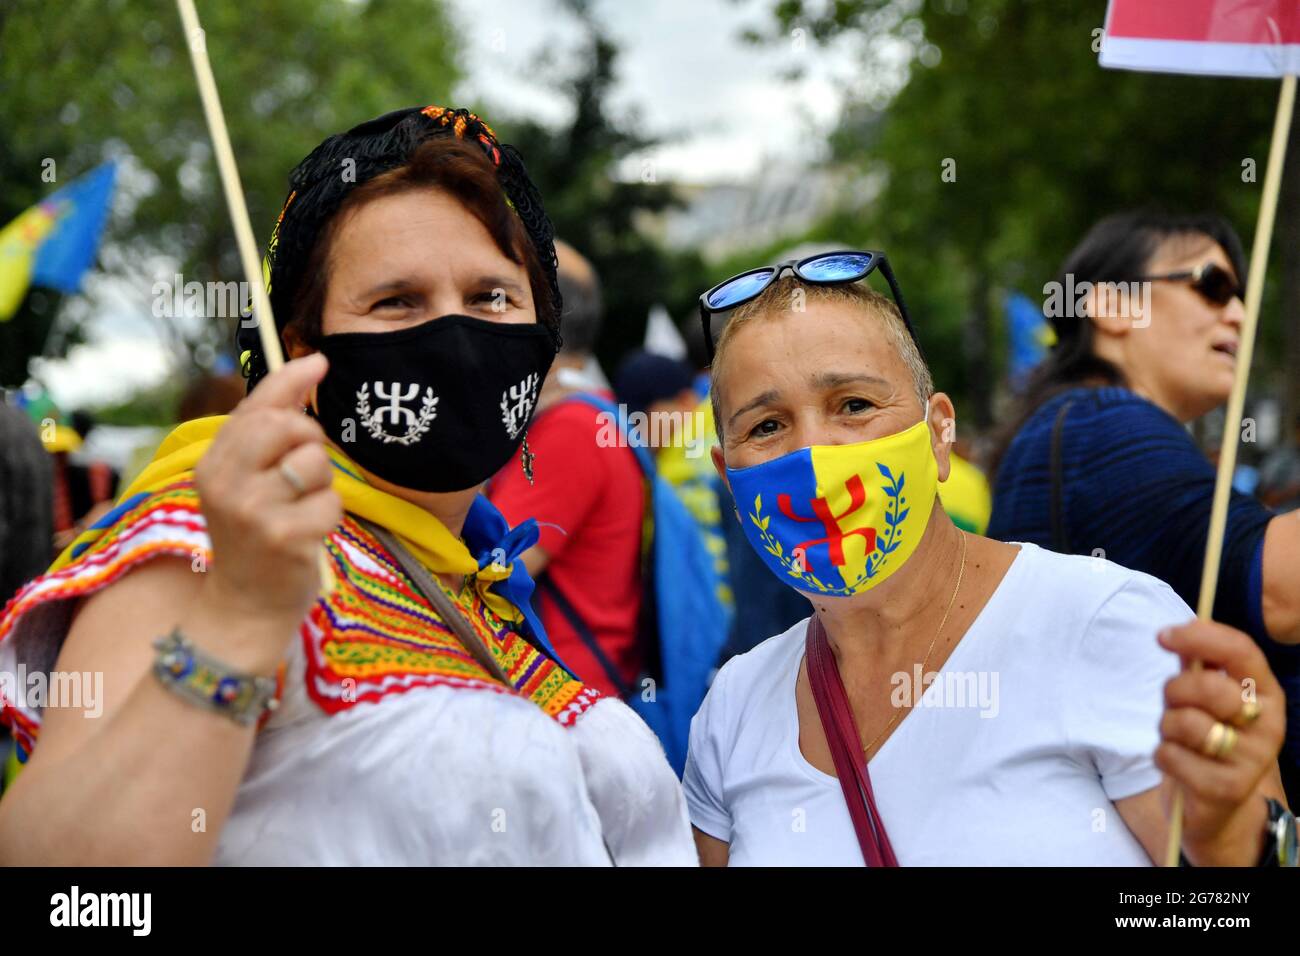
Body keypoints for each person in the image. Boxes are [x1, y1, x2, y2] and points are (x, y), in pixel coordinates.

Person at [0, 105, 693, 865]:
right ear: (299, 349)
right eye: (397, 301)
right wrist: (235, 622)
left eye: (492, 296)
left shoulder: (478, 577)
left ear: (542, 337)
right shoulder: (217, 537)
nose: (457, 339)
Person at [684, 251, 1293, 866]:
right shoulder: (733, 711)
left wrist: (1231, 843)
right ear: (728, 480)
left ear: (939, 433)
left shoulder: (1103, 623)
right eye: (766, 426)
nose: (813, 453)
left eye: (854, 405)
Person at [987, 210, 1300, 802]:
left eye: (1242, 296)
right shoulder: (1105, 425)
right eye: (1212, 286)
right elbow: (1282, 589)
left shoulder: (1069, 424)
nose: (1237, 312)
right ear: (1110, 307)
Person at [489, 241, 647, 698]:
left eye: (486, 297)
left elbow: (489, 578)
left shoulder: (569, 430)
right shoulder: (597, 411)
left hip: (560, 699)